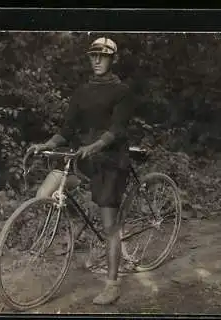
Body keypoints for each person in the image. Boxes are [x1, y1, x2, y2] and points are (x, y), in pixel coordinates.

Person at [27, 37, 136, 305]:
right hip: (85, 157)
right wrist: (47, 144)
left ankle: (112, 284)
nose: (97, 60)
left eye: (103, 56)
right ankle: (76, 222)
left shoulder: (122, 91)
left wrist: (96, 145)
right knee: (48, 189)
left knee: (110, 226)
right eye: (93, 56)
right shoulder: (83, 91)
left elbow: (117, 129)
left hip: (111, 160)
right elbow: (67, 129)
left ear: (112, 59)